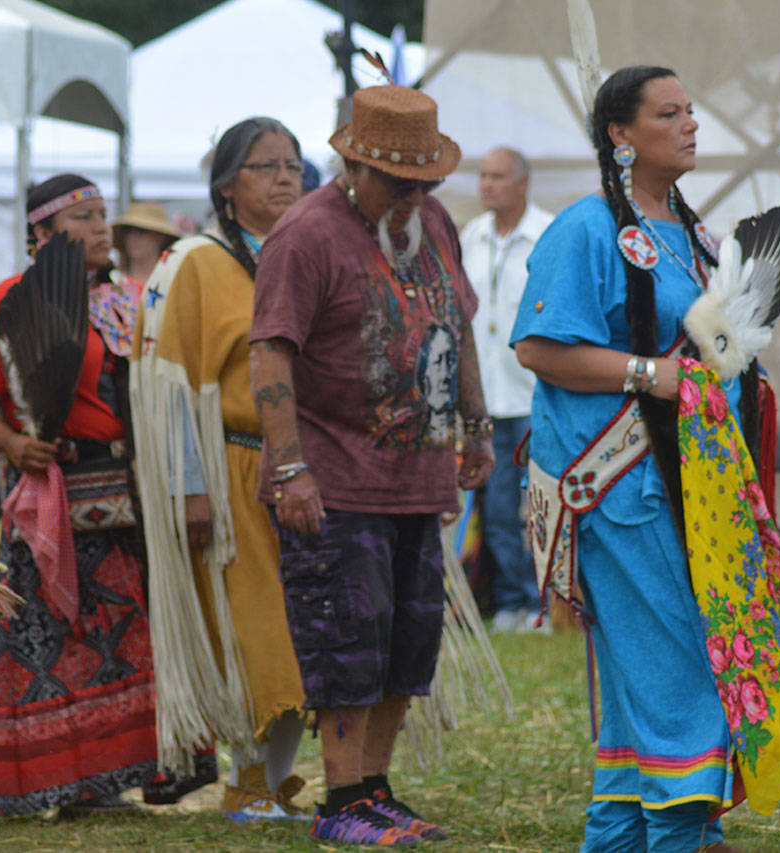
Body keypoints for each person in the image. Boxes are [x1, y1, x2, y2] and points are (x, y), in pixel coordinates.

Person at [512, 65, 780, 853]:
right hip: (621, 486)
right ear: (620, 133)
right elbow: (539, 347)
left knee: (651, 679)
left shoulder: (689, 231)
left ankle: (618, 837)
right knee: (681, 674)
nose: (690, 124)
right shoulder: (584, 229)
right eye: (668, 113)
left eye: (690, 110)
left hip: (694, 487)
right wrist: (654, 374)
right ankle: (680, 835)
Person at [248, 85, 493, 847]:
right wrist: (290, 469)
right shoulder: (306, 234)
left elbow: (459, 321)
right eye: (398, 182)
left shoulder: (433, 222)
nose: (413, 196)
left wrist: (475, 425)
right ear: (352, 164)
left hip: (416, 477)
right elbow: (270, 352)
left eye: (425, 182)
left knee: (407, 642)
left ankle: (375, 788)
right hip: (333, 478)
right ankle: (340, 801)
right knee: (346, 638)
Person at [0, 174, 158, 816]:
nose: (102, 228)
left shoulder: (130, 300)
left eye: (104, 215)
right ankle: (50, 782)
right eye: (84, 218)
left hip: (127, 491)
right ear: (40, 235)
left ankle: (112, 781)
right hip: (53, 487)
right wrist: (10, 444)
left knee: (125, 636)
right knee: (52, 638)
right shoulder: (8, 300)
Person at [131, 117, 310, 824]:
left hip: (307, 468)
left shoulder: (305, 251)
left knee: (307, 629)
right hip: (232, 466)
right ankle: (250, 780)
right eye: (267, 165)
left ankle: (280, 778)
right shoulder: (195, 262)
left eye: (294, 164)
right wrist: (188, 484)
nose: (286, 176)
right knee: (254, 630)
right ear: (227, 185)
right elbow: (167, 384)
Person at [458, 147, 554, 633]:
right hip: (489, 401)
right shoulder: (470, 238)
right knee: (495, 508)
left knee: (545, 507)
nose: (487, 185)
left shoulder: (549, 235)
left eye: (497, 176)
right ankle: (514, 602)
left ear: (522, 183)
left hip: (538, 395)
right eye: (482, 176)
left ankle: (555, 604)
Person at [112, 201, 180, 284]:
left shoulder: (174, 280)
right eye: (128, 230)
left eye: (142, 231)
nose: (133, 238)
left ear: (161, 237)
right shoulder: (112, 279)